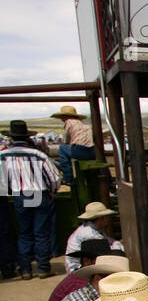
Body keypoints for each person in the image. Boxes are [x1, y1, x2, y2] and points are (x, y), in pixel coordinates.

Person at [0, 120, 61, 278]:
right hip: (38, 193)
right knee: (41, 232)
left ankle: (25, 269)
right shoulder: (38, 155)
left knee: (24, 232)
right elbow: (54, 178)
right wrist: (52, 192)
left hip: (20, 194)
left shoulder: (3, 156)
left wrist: (9, 191)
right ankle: (43, 268)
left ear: (12, 138)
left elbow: (2, 182)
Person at [65, 201, 123, 273]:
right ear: (101, 218)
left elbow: (110, 242)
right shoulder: (90, 234)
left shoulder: (92, 229)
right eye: (107, 217)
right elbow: (107, 250)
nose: (108, 219)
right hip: (78, 269)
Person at [54, 104, 95, 184]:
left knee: (62, 148)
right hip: (92, 151)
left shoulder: (68, 122)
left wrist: (68, 143)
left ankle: (68, 177)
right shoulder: (84, 124)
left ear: (64, 116)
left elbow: (66, 139)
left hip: (80, 150)